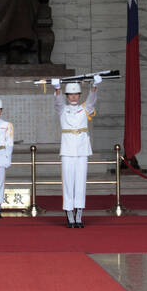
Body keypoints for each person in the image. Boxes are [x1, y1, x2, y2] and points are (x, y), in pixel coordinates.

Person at [55, 74, 101, 227]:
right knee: (68, 182)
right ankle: (69, 212)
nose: (74, 97)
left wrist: (94, 86)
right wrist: (57, 89)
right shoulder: (63, 109)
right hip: (68, 149)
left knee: (81, 181)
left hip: (82, 149)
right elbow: (58, 102)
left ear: (79, 95)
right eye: (70, 94)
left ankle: (79, 213)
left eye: (76, 94)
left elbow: (91, 100)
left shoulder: (84, 108)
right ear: (67, 96)